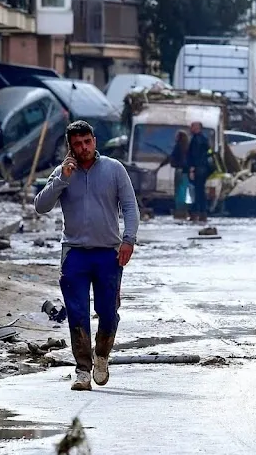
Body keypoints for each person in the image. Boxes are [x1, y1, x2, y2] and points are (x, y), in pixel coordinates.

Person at [34, 120, 140, 391]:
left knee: (107, 311)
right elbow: (41, 206)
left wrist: (128, 240)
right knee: (77, 313)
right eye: (77, 144)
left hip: (108, 253)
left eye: (87, 142)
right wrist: (62, 180)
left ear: (94, 140)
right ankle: (82, 369)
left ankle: (101, 355)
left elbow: (129, 206)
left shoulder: (114, 169)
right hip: (75, 254)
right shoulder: (62, 173)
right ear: (70, 147)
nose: (83, 148)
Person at [159, 130, 190, 220]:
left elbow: (171, 157)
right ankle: (184, 210)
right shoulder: (187, 147)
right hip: (185, 171)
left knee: (178, 191)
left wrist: (161, 165)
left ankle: (179, 211)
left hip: (179, 170)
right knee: (183, 191)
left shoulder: (178, 146)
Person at [186, 121, 212, 223]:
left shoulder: (196, 140)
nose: (190, 128)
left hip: (198, 169)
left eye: (192, 126)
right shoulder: (204, 139)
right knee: (200, 192)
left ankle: (197, 213)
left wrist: (192, 168)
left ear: (198, 128)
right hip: (203, 169)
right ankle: (202, 213)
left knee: (197, 192)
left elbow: (195, 155)